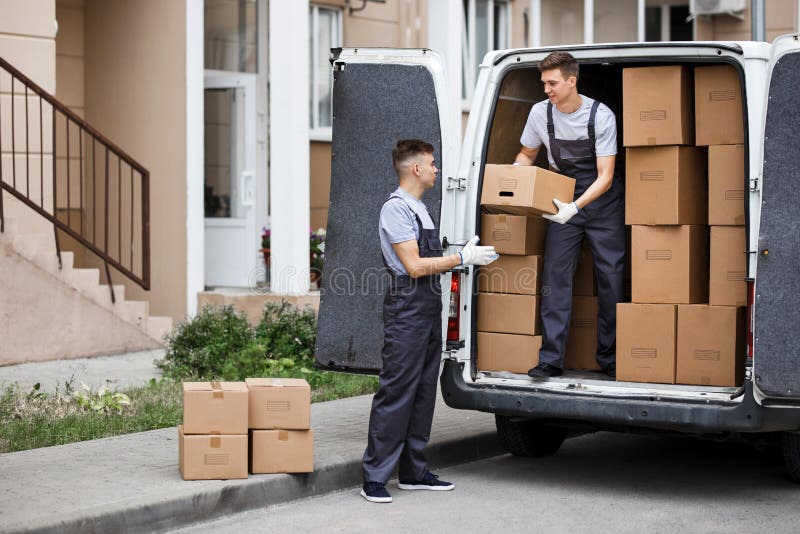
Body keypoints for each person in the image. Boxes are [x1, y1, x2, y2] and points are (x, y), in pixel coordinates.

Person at [361, 139, 498, 503]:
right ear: (416, 169)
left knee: (423, 391)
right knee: (397, 390)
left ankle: (414, 471)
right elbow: (415, 266)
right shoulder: (396, 209)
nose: (437, 169)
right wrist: (461, 258)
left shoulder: (420, 208)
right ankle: (374, 477)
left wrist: (459, 254)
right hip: (407, 303)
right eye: (433, 163)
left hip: (427, 304)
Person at [513, 51, 625, 379]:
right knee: (555, 279)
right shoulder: (539, 113)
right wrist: (515, 174)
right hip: (561, 199)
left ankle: (610, 358)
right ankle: (550, 360)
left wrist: (576, 207)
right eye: (544, 83)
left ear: (571, 81)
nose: (546, 88)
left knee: (611, 278)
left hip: (602, 203)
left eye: (553, 82)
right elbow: (527, 153)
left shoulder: (601, 116)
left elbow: (605, 176)